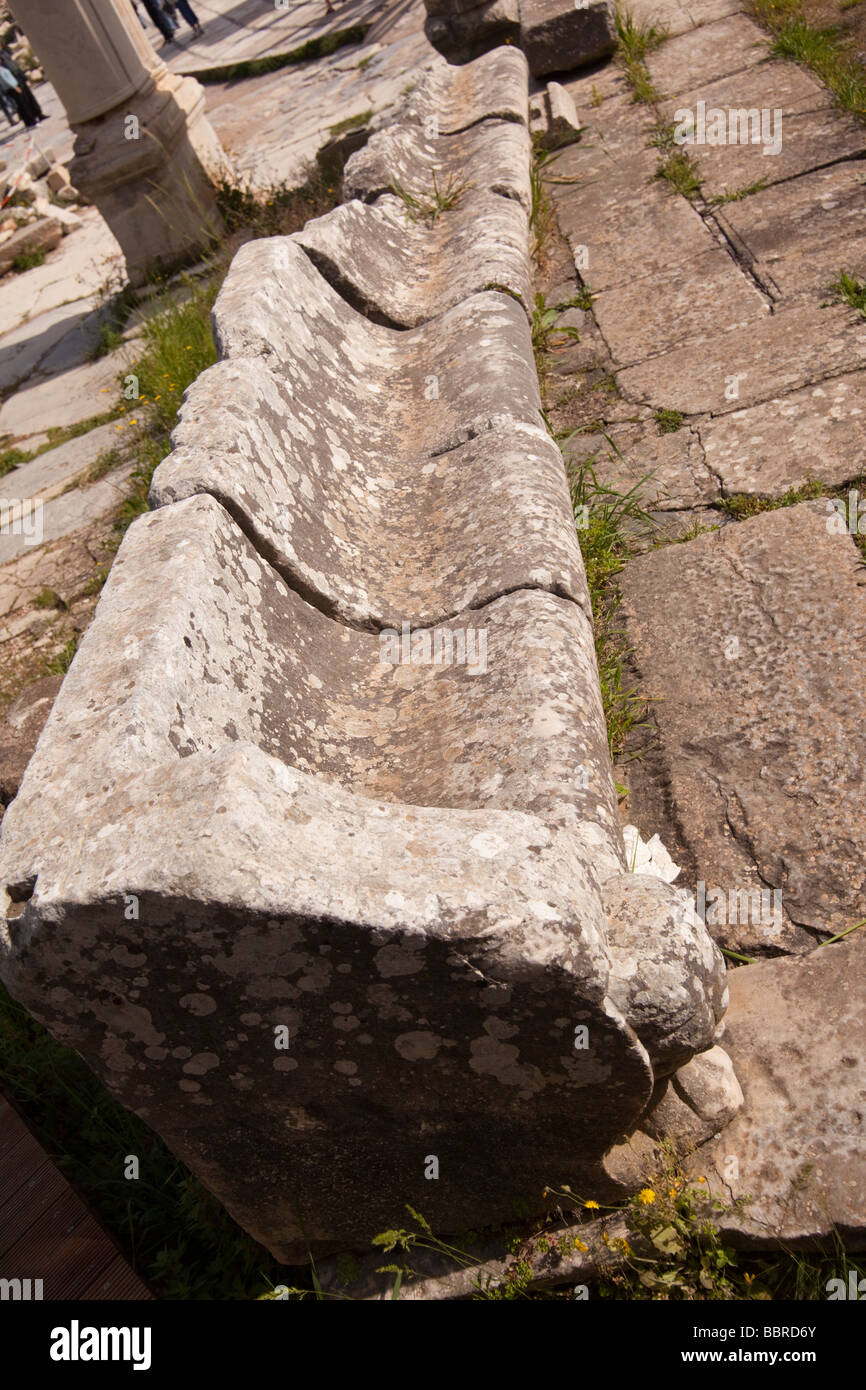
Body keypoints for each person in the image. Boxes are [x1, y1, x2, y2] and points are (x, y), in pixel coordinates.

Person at [0, 52, 44, 128]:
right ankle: (30, 121)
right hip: (13, 87)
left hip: (16, 83)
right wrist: (15, 87)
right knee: (22, 104)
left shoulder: (4, 57)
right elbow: (6, 79)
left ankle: (35, 116)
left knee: (26, 101)